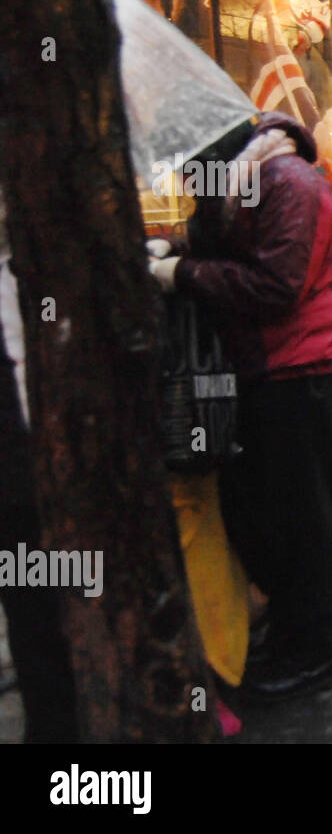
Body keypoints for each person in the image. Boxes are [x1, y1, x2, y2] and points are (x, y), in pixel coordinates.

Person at [149, 111, 332, 702]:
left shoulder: (292, 184)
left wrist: (181, 274)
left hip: (307, 373)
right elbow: (226, 244)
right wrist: (172, 245)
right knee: (263, 512)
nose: (193, 188)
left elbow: (275, 286)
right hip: (270, 374)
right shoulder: (245, 184)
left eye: (194, 176)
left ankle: (319, 651)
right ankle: (296, 628)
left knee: (305, 518)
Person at [0, 188, 78, 742]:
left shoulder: (30, 273)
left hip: (48, 470)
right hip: (18, 482)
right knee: (35, 614)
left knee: (53, 607)